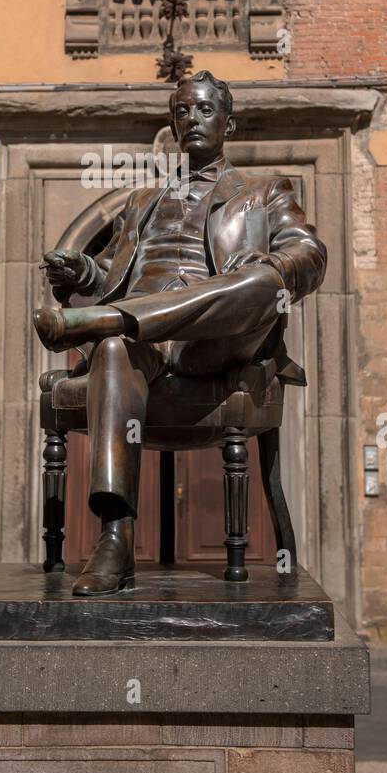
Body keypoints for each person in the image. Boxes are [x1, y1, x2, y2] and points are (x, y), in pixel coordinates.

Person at [33, 71, 327, 596]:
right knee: (118, 345)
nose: (194, 119)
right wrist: (81, 276)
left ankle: (107, 323)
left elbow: (310, 255)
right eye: (184, 111)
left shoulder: (263, 192)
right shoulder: (139, 202)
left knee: (262, 280)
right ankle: (116, 538)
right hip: (144, 340)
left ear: (228, 122)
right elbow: (109, 277)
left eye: (207, 109)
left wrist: (275, 264)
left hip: (213, 342)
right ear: (174, 123)